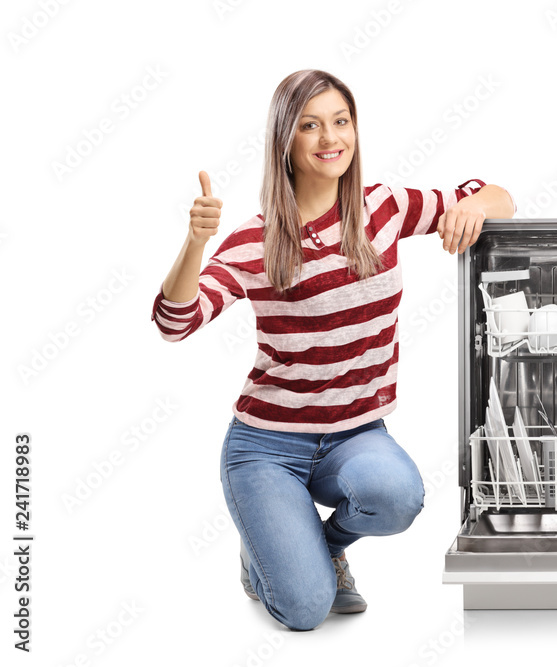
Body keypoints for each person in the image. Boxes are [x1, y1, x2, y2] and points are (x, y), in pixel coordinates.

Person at [150, 69, 516, 631]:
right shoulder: (256, 240)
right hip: (266, 446)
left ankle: (320, 548)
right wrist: (194, 243)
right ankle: (264, 555)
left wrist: (476, 207)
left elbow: (496, 196)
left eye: (341, 122)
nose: (330, 139)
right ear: (285, 141)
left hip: (355, 434)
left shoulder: (384, 209)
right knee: (304, 610)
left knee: (397, 498)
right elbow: (176, 322)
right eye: (310, 126)